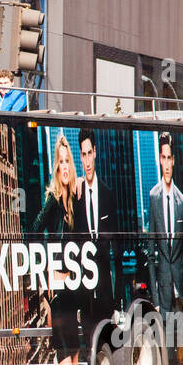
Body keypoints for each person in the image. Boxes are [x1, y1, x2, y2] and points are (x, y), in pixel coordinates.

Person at [33, 133, 81, 365]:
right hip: (59, 290)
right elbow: (34, 231)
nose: (64, 166)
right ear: (56, 166)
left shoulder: (74, 200)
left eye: (67, 162)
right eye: (60, 162)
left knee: (75, 357)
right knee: (65, 357)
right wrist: (48, 267)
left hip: (75, 288)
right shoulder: (52, 199)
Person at [147, 131, 183, 352]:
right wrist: (154, 297)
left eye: (169, 158)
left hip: (179, 286)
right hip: (163, 286)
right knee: (165, 337)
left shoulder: (182, 200)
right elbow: (150, 252)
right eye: (162, 158)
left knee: (181, 337)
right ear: (160, 160)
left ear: (173, 160)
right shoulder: (153, 197)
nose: (166, 164)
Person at [73, 128, 119, 344]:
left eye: (89, 153)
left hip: (105, 290)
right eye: (83, 155)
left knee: (107, 342)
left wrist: (116, 301)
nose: (87, 161)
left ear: (96, 152)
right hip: (83, 288)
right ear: (80, 157)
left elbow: (116, 249)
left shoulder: (108, 194)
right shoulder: (75, 196)